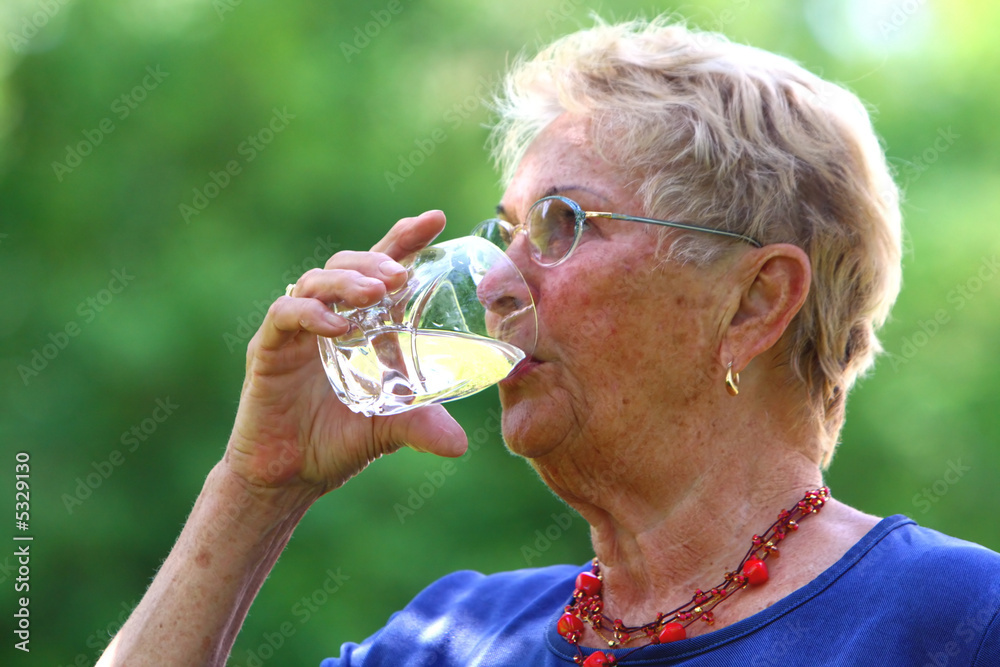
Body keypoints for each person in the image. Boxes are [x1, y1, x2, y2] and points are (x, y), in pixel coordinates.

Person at [98, 17, 1000, 667]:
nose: (493, 283)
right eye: (505, 231)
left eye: (563, 224)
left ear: (754, 306)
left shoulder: (955, 621)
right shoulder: (450, 639)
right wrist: (257, 489)